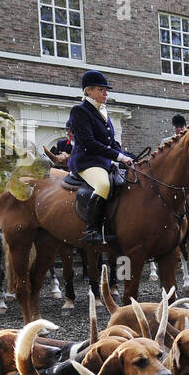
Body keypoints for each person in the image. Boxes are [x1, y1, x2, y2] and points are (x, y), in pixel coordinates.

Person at [68, 70, 135, 245]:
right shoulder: (79, 111)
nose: (105, 93)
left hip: (103, 161)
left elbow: (110, 142)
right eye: (101, 90)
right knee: (103, 185)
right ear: (88, 91)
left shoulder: (103, 112)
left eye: (106, 90)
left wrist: (127, 157)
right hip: (86, 161)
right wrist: (118, 157)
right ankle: (92, 230)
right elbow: (89, 143)